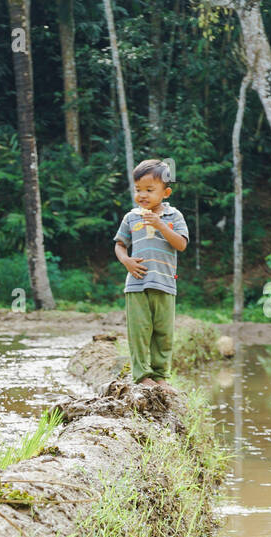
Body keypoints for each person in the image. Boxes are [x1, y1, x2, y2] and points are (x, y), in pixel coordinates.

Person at [112, 159, 189, 392]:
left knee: (164, 333)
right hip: (137, 284)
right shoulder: (131, 217)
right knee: (139, 330)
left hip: (165, 283)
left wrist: (161, 225)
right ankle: (142, 375)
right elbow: (119, 244)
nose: (142, 195)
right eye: (138, 190)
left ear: (165, 192)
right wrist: (126, 260)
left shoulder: (174, 216)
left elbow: (181, 244)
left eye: (149, 190)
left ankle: (161, 376)